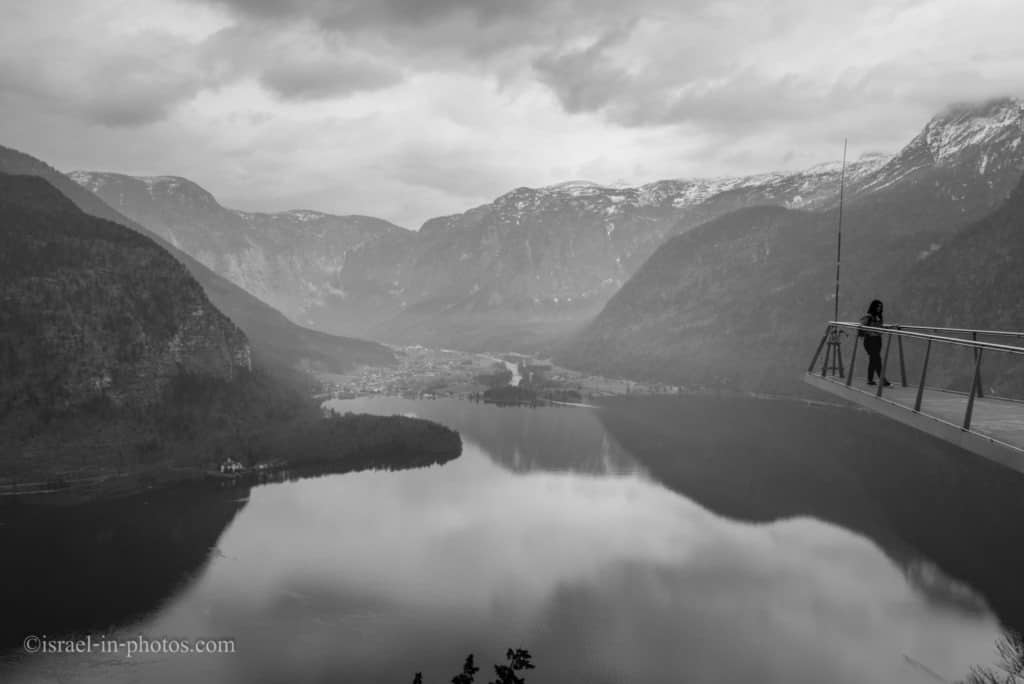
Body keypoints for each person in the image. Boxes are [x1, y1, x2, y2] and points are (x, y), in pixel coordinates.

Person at [859, 299, 890, 386]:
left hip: (877, 340)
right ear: (874, 307)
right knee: (877, 359)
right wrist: (871, 331)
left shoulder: (879, 317)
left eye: (880, 307)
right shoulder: (868, 317)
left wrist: (887, 328)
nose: (879, 308)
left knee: (873, 359)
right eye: (878, 306)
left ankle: (870, 379)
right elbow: (861, 327)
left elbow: (880, 328)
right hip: (870, 341)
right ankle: (882, 379)